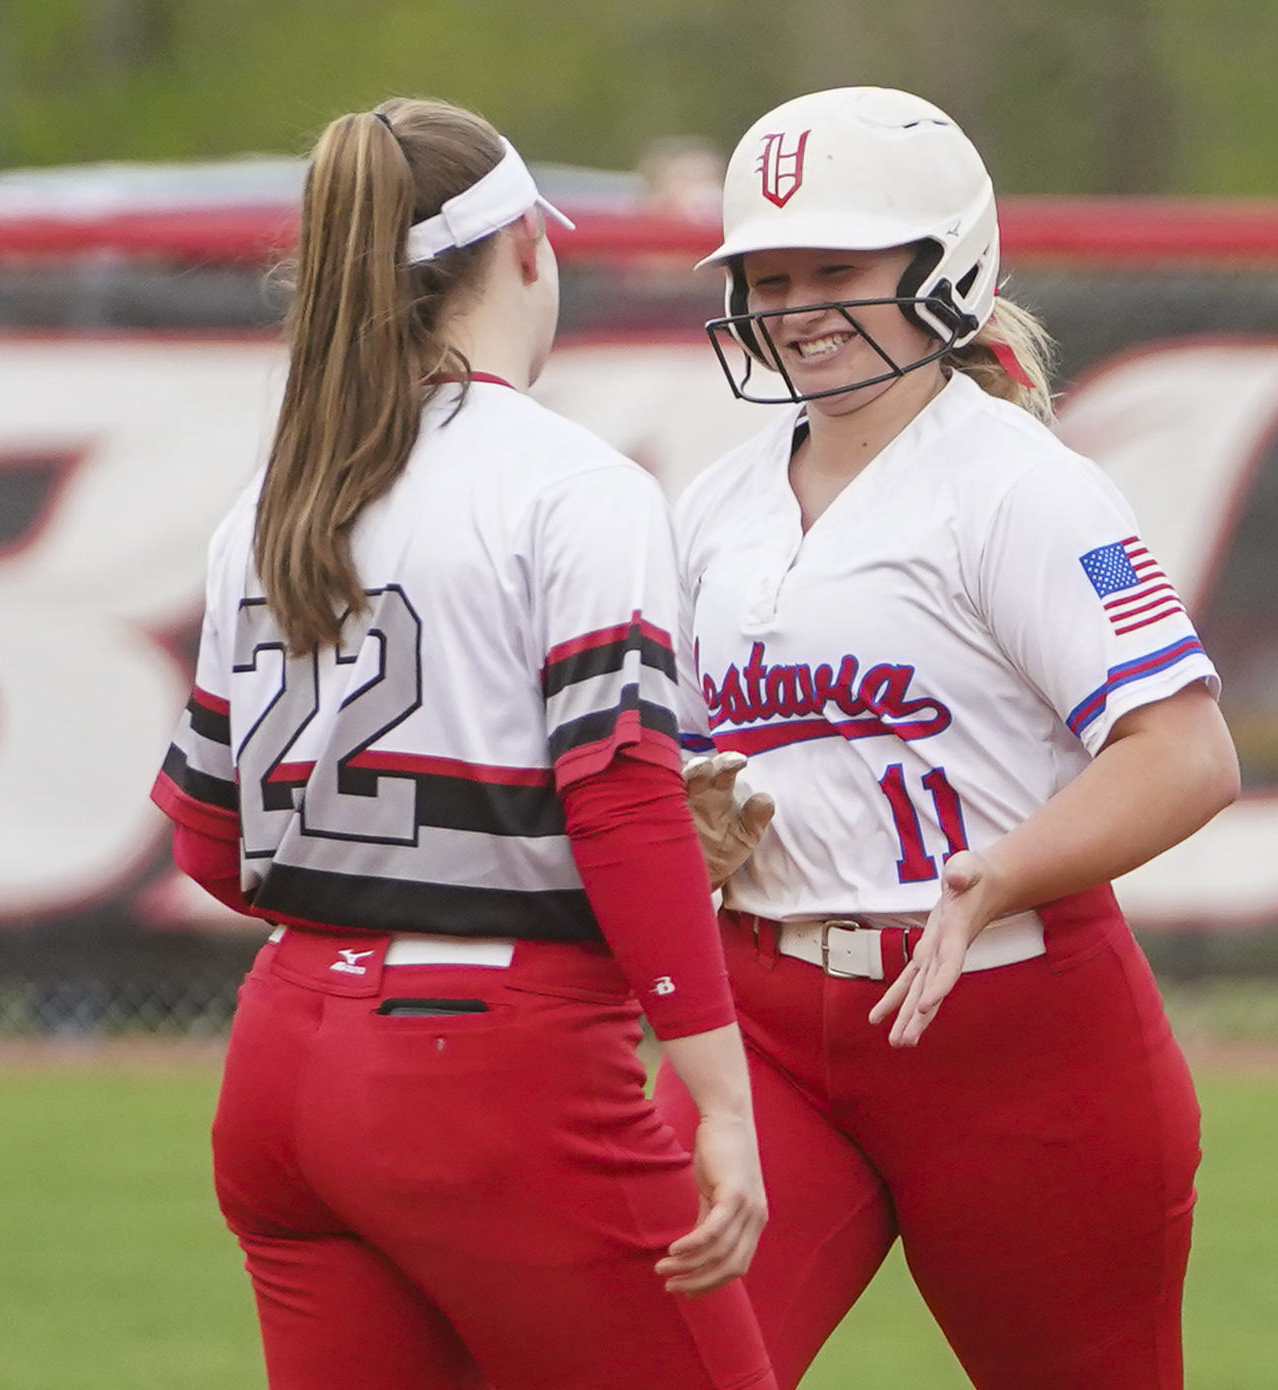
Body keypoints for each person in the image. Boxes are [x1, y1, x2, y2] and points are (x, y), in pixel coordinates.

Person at [150, 97, 776, 1390]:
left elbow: (211, 838)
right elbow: (618, 804)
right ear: (527, 252)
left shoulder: (276, 496)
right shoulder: (572, 483)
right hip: (488, 1057)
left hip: (284, 1053)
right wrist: (717, 1093)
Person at [657, 87, 1241, 1390]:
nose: (794, 301)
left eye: (835, 266)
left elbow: (1184, 750)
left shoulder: (1019, 484)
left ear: (944, 266)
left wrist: (1004, 870)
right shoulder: (714, 505)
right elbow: (691, 765)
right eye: (766, 271)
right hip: (760, 1013)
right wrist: (678, 822)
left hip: (1011, 1026)